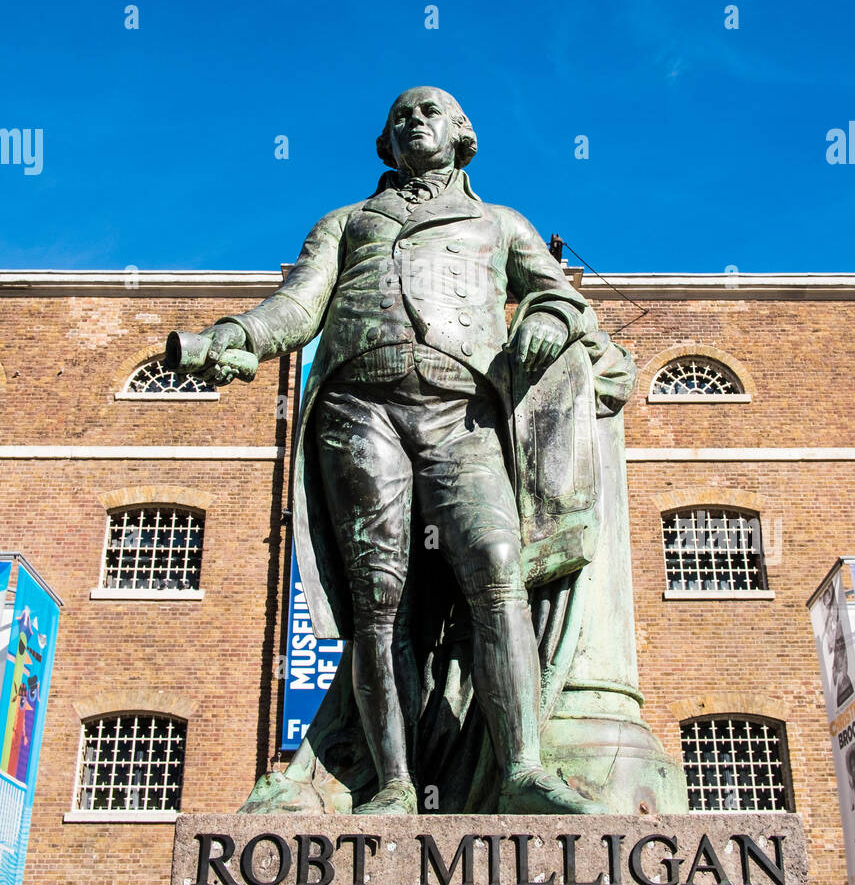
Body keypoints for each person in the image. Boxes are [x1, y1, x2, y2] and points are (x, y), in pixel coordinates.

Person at [173, 86, 634, 814]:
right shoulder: (348, 222)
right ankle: (391, 784)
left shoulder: (499, 223)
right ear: (386, 143)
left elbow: (559, 296)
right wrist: (234, 339)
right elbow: (298, 305)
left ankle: (521, 770)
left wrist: (546, 315)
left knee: (496, 566)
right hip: (360, 409)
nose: (414, 121)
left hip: (465, 414)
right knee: (378, 600)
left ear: (462, 133)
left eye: (429, 111)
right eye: (400, 116)